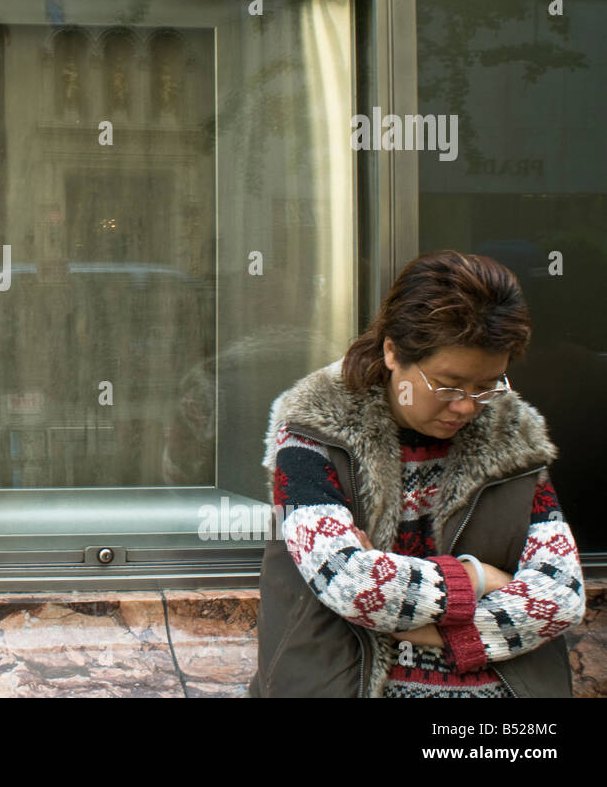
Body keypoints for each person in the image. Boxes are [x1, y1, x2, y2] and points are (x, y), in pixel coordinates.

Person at [249, 250, 585, 697]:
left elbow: (562, 597)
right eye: (447, 385)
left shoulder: (514, 440)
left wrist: (449, 633)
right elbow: (353, 584)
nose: (466, 406)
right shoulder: (314, 436)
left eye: (486, 387)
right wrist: (479, 580)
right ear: (393, 350)